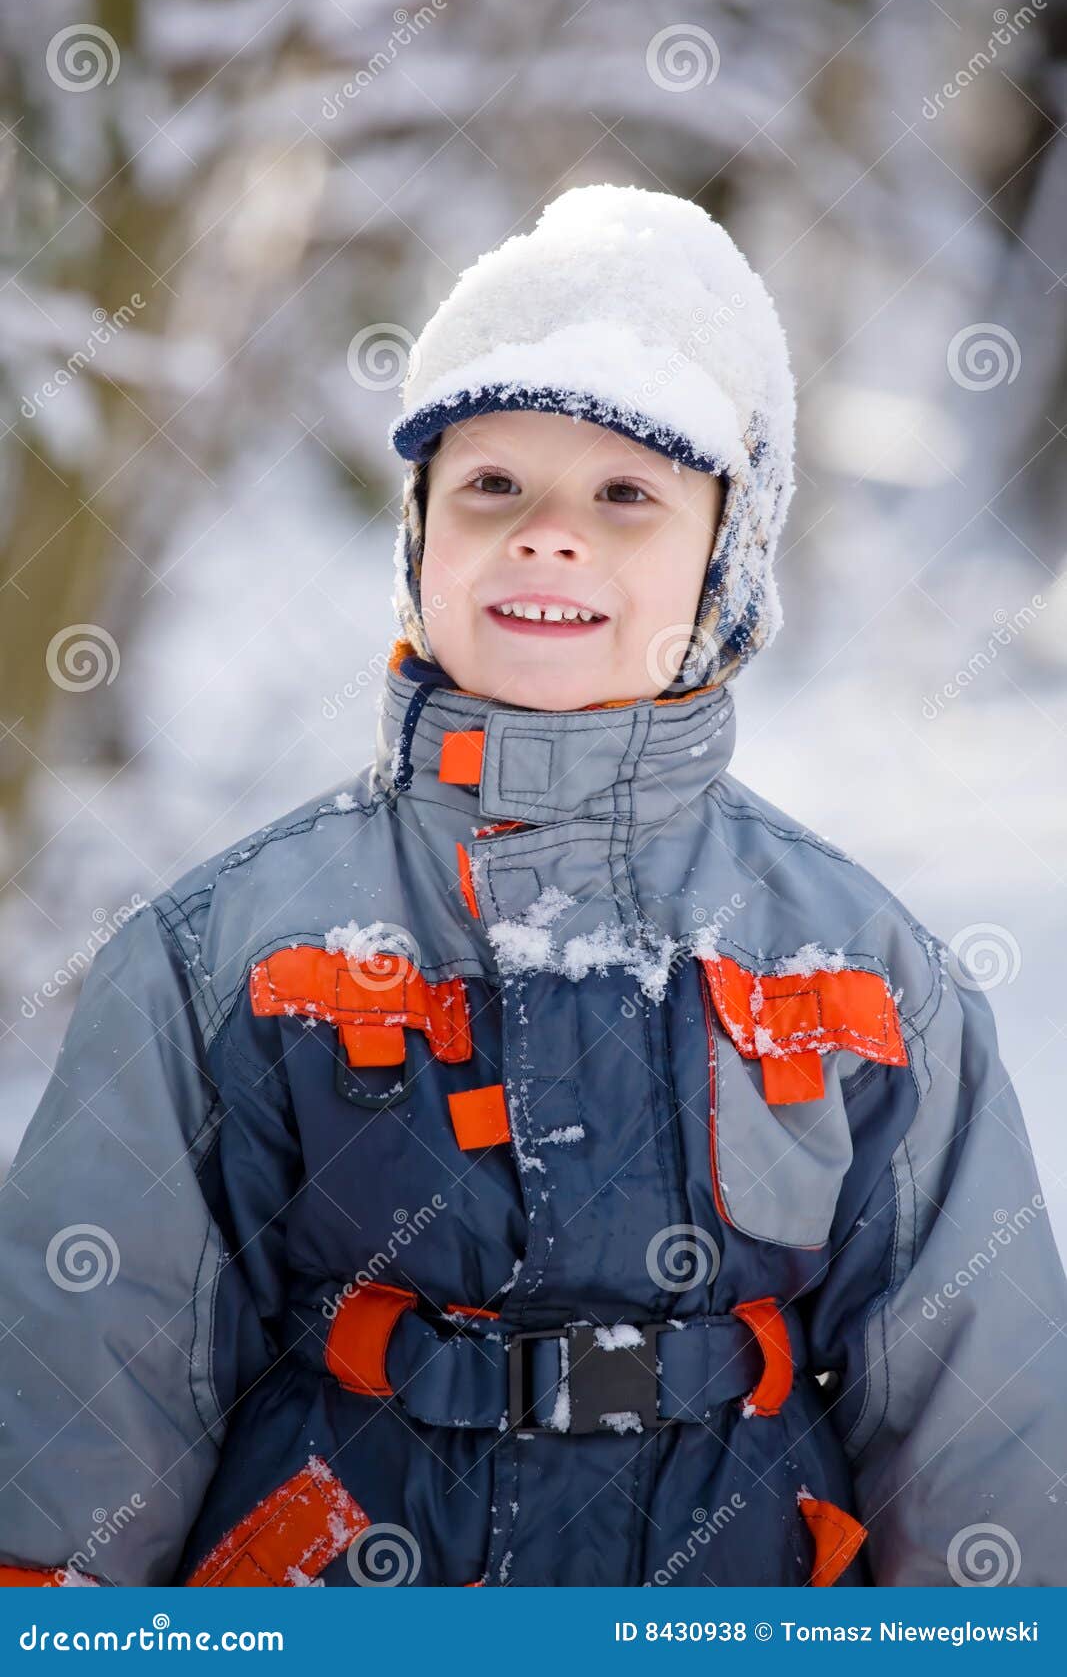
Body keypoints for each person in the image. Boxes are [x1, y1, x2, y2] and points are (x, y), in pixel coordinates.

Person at [1, 184, 1065, 1588]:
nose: (549, 534)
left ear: (725, 566)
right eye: (493, 484)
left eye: (627, 494)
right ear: (421, 538)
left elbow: (979, 1404)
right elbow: (93, 1375)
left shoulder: (862, 966)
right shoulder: (218, 956)